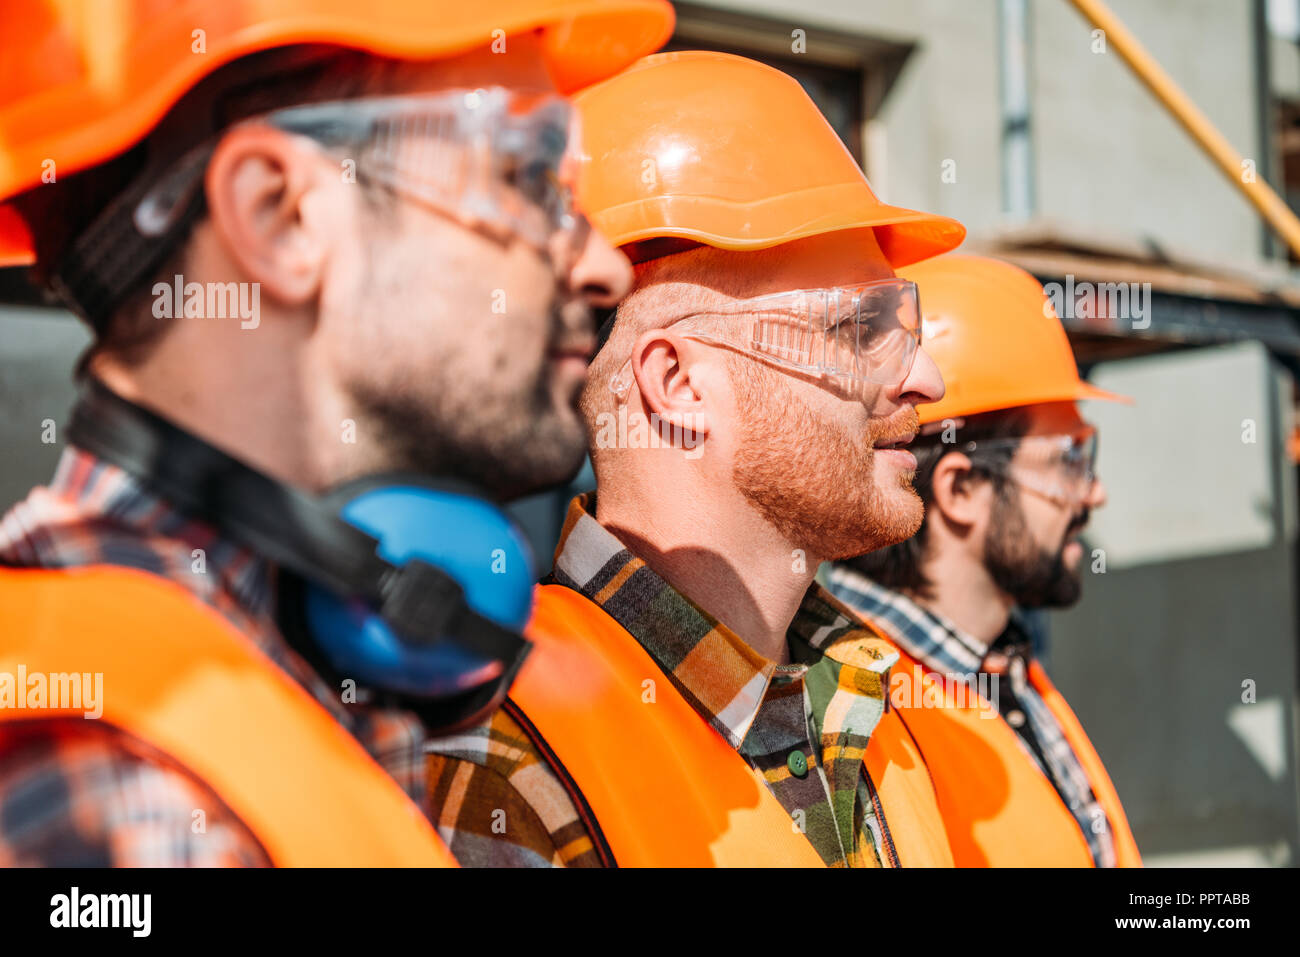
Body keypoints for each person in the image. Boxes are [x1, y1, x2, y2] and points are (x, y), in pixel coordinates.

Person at [0, 0, 672, 866]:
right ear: (282, 214)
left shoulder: (283, 659)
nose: (603, 264)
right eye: (529, 180)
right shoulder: (117, 804)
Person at [424, 51, 965, 867]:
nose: (927, 379)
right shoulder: (509, 761)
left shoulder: (871, 705)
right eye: (860, 331)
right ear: (676, 384)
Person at [824, 253, 1143, 867]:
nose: (1094, 492)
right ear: (960, 490)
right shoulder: (849, 713)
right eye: (1068, 461)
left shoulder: (1005, 671)